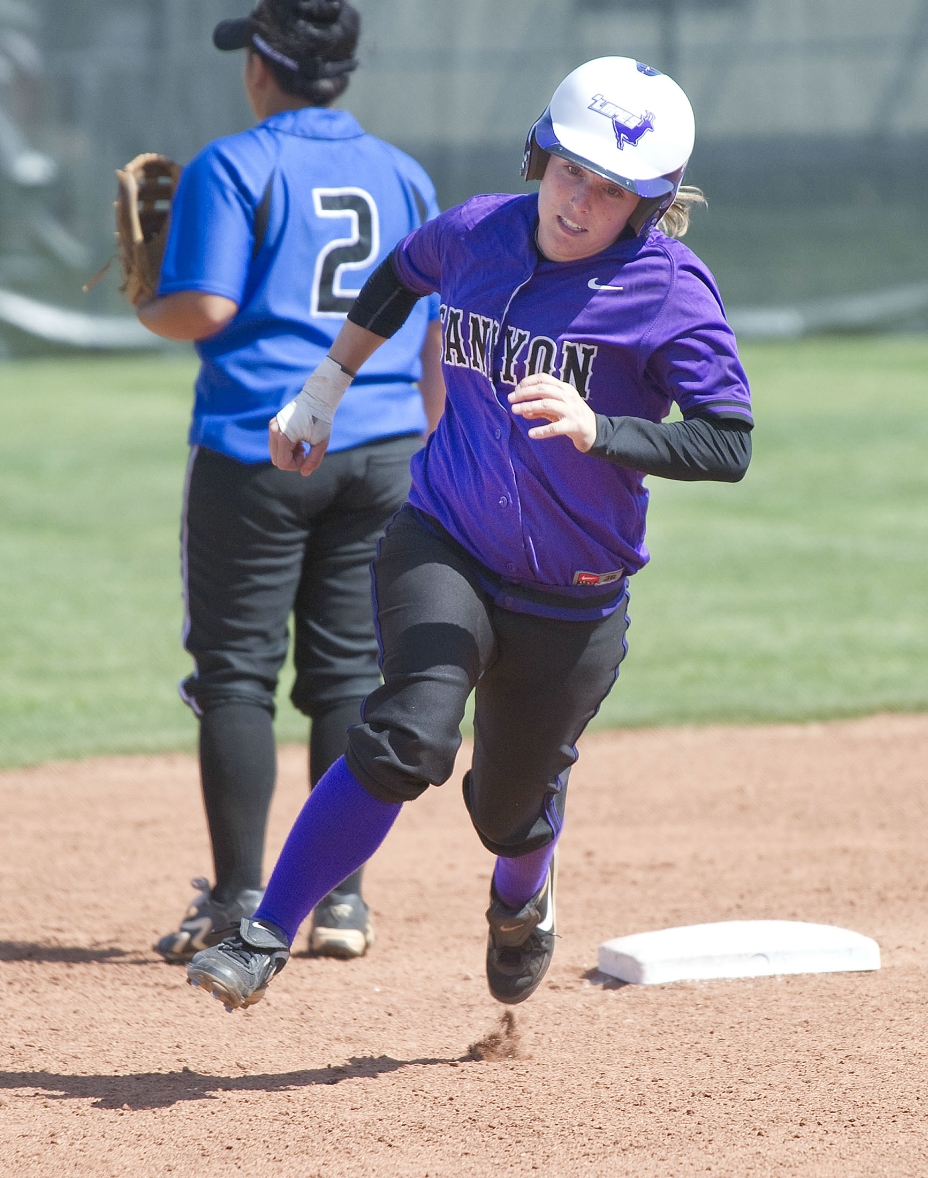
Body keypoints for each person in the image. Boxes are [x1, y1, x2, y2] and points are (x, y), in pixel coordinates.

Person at [185, 55, 753, 1011]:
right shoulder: (480, 230)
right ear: (539, 156)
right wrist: (324, 388)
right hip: (443, 539)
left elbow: (727, 441)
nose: (580, 203)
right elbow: (400, 275)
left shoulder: (668, 289)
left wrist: (602, 429)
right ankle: (262, 933)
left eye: (612, 190)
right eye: (570, 170)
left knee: (507, 814)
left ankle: (523, 899)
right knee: (406, 736)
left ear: (650, 204)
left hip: (574, 592)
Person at [136, 0, 444, 965]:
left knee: (236, 673)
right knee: (348, 674)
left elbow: (204, 307)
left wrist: (149, 302)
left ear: (262, 67)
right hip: (383, 446)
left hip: (257, 446)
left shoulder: (234, 164)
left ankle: (238, 899)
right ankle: (341, 902)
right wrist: (428, 444)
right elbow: (432, 332)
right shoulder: (404, 174)